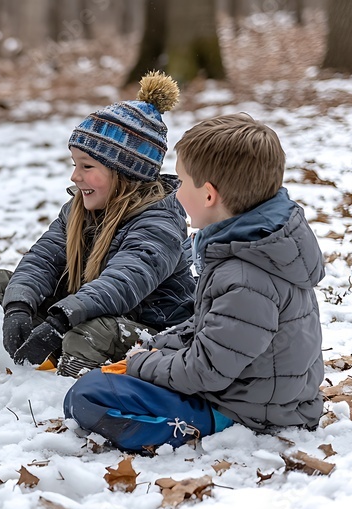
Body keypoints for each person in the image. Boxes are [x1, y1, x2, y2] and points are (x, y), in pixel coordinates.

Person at [64, 113, 325, 452]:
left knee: (87, 397)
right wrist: (158, 347)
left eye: (183, 182)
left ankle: (190, 431)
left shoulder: (246, 276)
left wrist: (140, 364)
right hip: (252, 393)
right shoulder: (253, 245)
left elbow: (206, 370)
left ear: (208, 196)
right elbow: (213, 327)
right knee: (103, 384)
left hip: (246, 411)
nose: (176, 192)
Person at [0, 72, 196, 378]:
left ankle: (63, 393)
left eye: (87, 166)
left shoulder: (159, 223)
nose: (75, 176)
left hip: (148, 334)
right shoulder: (79, 209)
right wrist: (19, 307)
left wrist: (61, 321)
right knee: (2, 286)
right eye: (74, 165)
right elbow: (43, 259)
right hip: (80, 316)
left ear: (125, 172)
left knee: (89, 335)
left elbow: (122, 283)